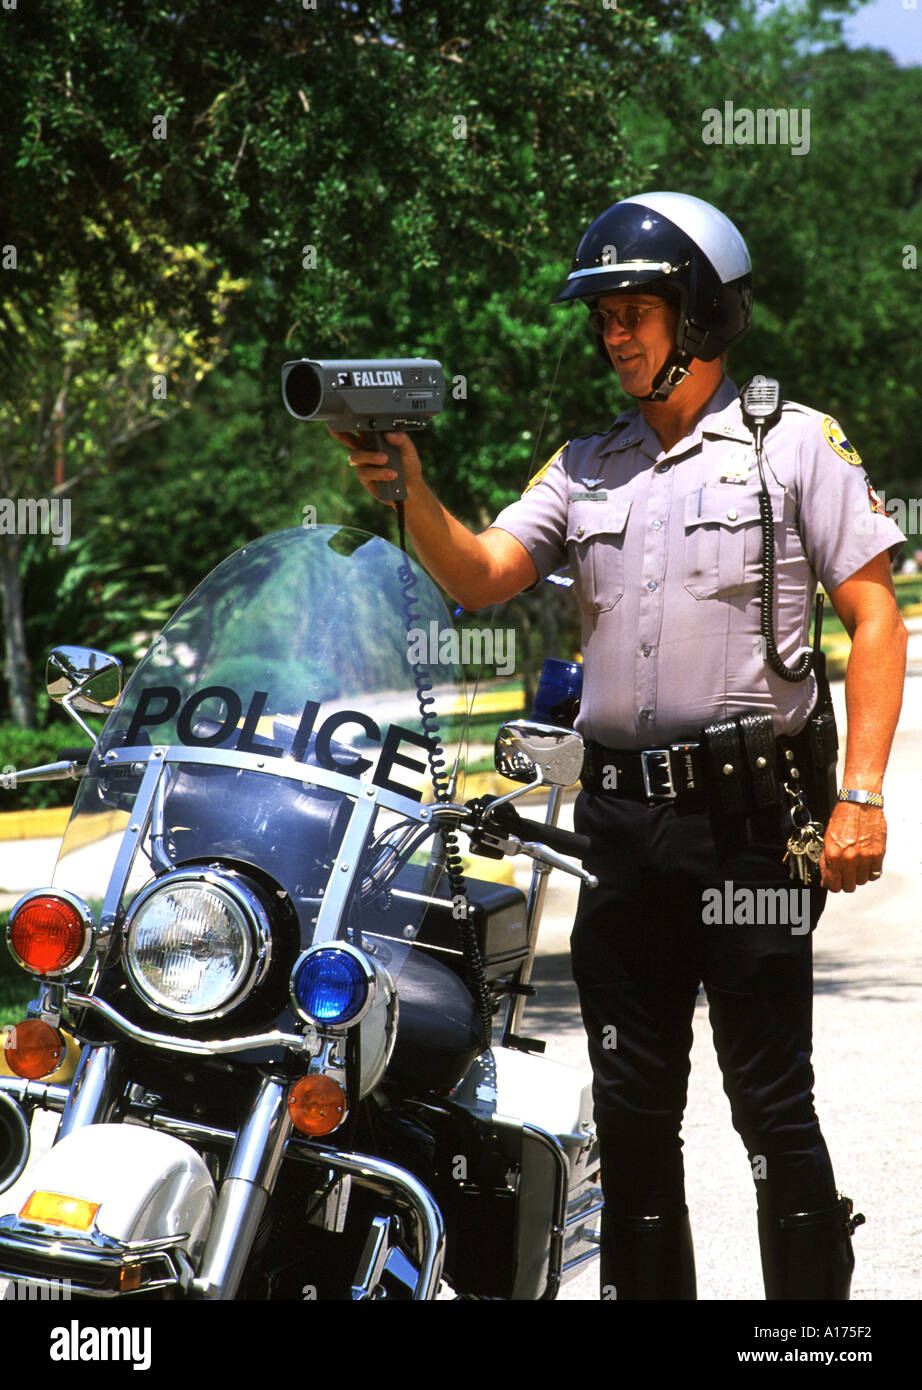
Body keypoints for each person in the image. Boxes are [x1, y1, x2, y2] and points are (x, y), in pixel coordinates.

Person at [330, 190, 908, 1300]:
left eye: (632, 308)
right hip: (621, 833)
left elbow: (873, 615)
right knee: (635, 1114)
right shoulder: (583, 465)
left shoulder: (792, 446)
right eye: (600, 314)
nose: (610, 333)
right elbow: (482, 573)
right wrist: (408, 487)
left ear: (696, 314)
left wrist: (862, 794)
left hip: (750, 831)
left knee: (769, 1101)